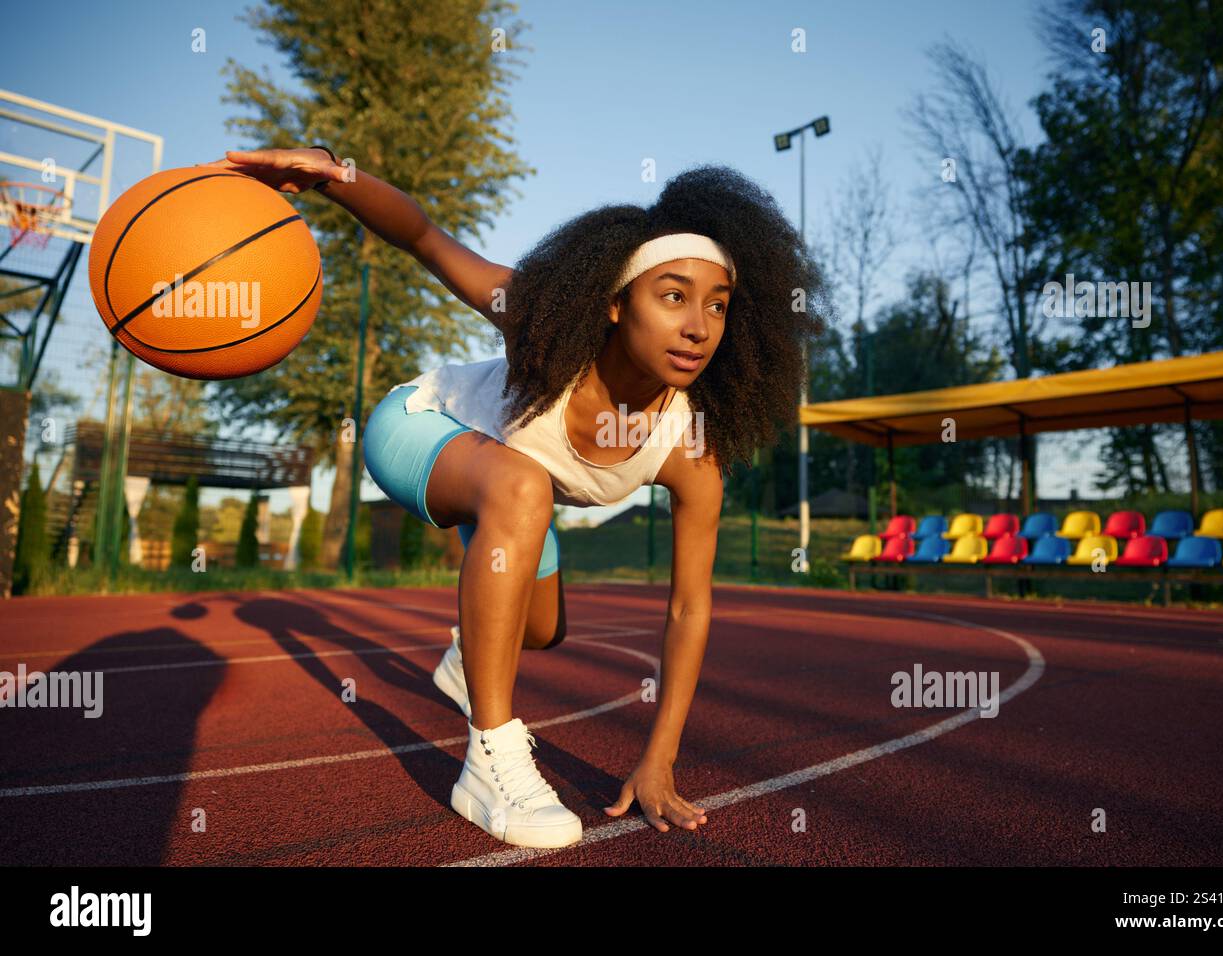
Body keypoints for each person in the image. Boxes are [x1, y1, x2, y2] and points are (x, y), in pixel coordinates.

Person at [200, 147, 830, 848]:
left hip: (507, 492)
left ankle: (468, 654)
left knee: (540, 631)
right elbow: (425, 238)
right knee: (523, 484)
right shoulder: (545, 325)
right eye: (674, 296)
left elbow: (689, 605)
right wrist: (331, 173)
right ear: (617, 303)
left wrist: (660, 759)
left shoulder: (691, 450)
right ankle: (490, 758)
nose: (698, 327)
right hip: (420, 429)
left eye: (717, 306)